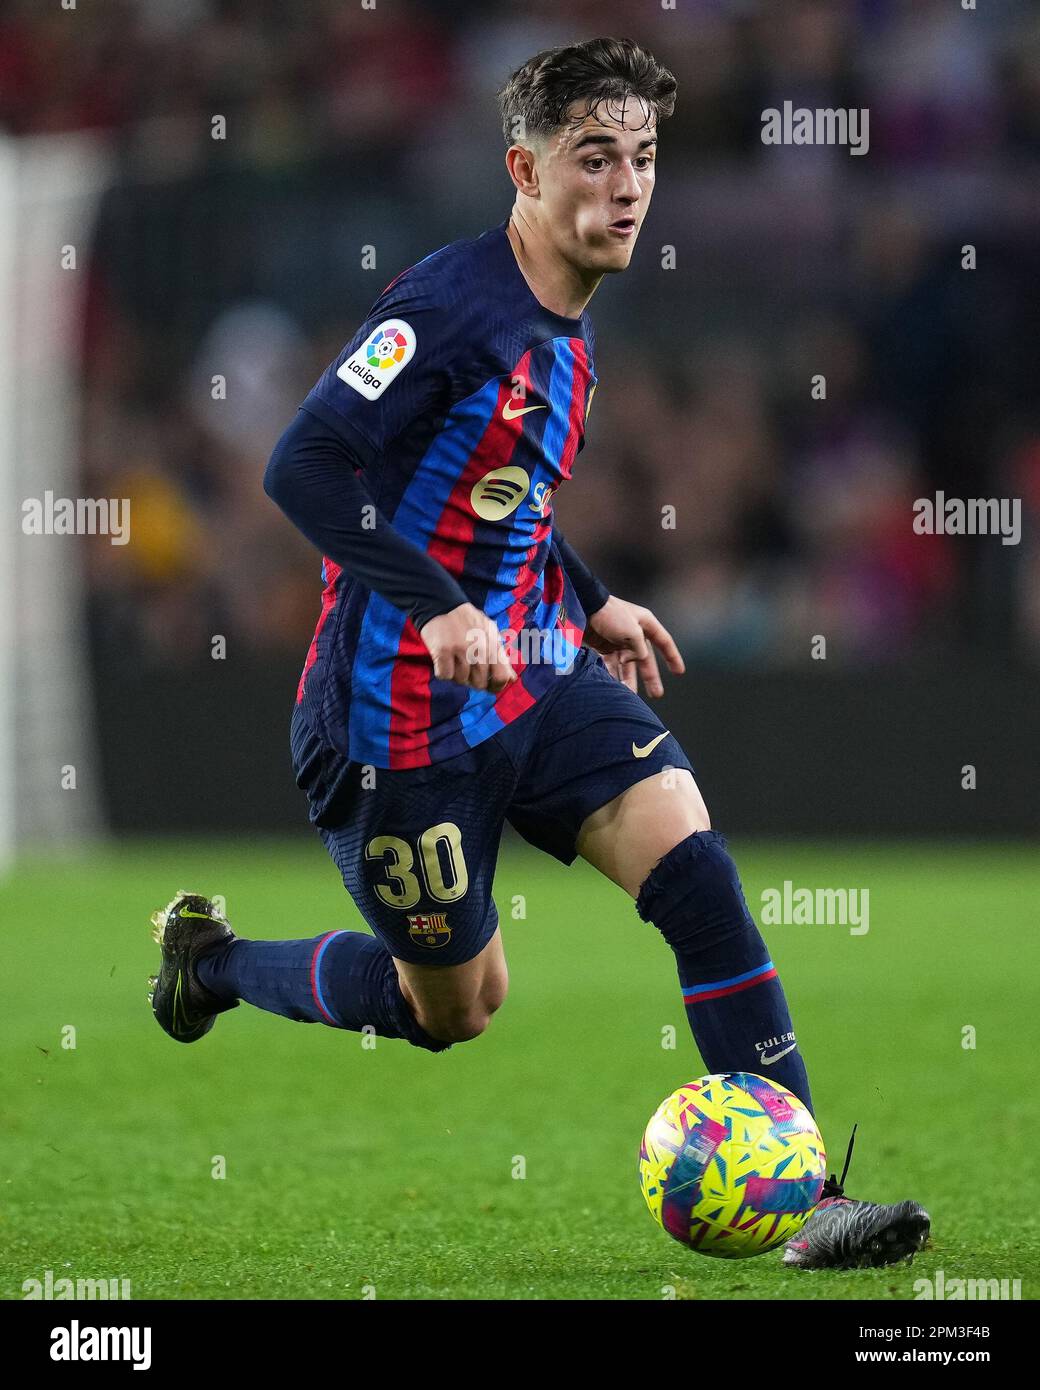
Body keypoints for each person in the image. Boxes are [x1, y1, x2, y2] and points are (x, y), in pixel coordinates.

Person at [148, 37, 928, 1270]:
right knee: (453, 1009)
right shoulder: (447, 308)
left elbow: (497, 503)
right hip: (392, 720)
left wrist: (591, 597)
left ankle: (809, 1194)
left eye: (645, 159)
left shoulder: (569, 324)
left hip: (533, 666)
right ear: (521, 168)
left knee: (694, 866)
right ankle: (218, 966)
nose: (626, 186)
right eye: (594, 158)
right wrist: (437, 609)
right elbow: (302, 464)